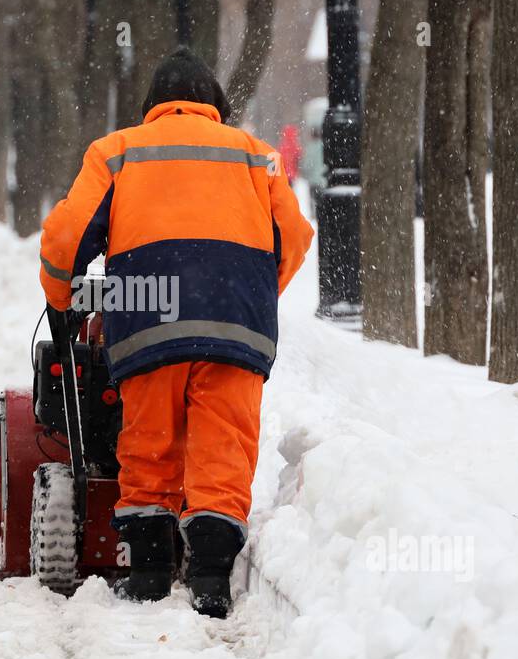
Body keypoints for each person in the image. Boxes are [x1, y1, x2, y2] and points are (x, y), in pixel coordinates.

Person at [38, 48, 314, 619]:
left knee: (149, 442)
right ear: (215, 106)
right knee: (223, 446)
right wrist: (254, 292)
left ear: (151, 109)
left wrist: (60, 298)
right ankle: (211, 579)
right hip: (236, 326)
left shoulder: (117, 152)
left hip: (146, 319)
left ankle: (148, 573)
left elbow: (67, 240)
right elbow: (295, 234)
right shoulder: (256, 157)